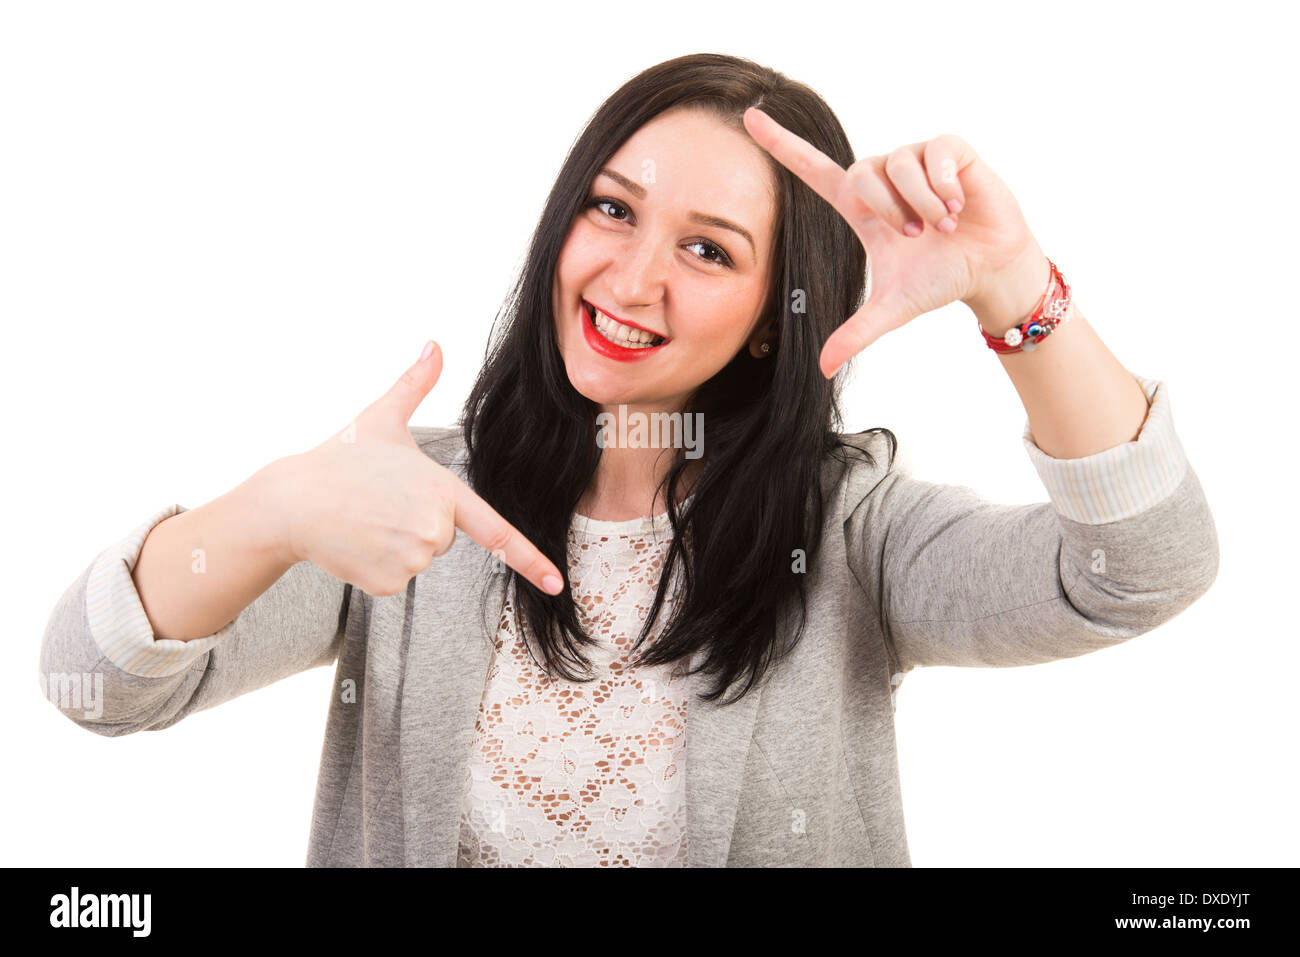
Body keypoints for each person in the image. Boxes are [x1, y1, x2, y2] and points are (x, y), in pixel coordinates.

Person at [38, 53, 1219, 867]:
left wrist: (1015, 291)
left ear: (773, 311)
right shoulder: (407, 502)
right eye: (611, 211)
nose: (629, 279)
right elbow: (92, 683)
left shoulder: (853, 534)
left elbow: (1141, 569)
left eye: (706, 249)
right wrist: (273, 509)